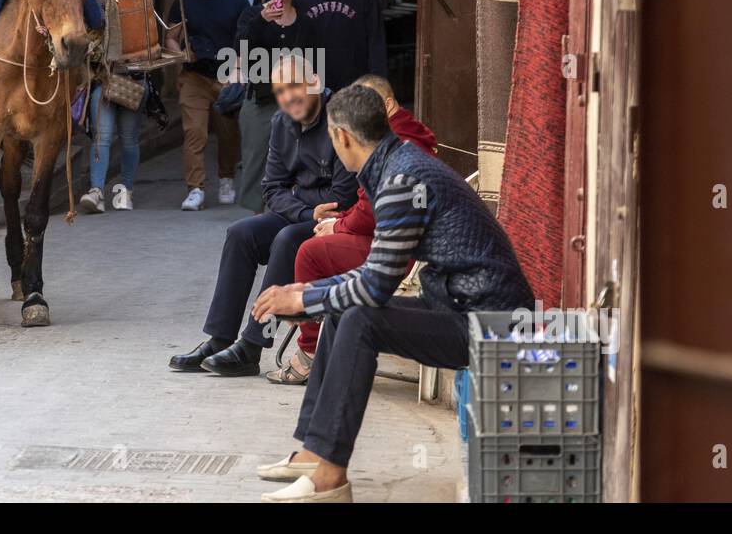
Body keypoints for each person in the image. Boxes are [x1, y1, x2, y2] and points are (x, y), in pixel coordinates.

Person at [251, 84, 534, 502]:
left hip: (488, 326)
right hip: (459, 308)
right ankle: (314, 453)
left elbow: (375, 284)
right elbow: (373, 273)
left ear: (342, 137)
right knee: (342, 314)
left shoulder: (402, 178)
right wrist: (310, 291)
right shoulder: (397, 164)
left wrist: (302, 298)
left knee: (361, 318)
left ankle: (330, 476)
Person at [168, 55, 356, 378]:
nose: (289, 97)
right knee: (241, 233)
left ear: (314, 83)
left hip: (335, 224)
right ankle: (220, 338)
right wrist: (304, 206)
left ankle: (252, 345)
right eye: (281, 91)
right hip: (305, 214)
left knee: (286, 240)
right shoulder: (281, 122)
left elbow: (341, 197)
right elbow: (271, 188)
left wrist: (297, 198)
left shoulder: (340, 120)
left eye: (295, 86)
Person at [265, 74, 434, 384]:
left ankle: (311, 353)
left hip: (402, 252)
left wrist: (339, 226)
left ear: (386, 104)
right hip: (395, 236)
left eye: (366, 105)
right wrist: (339, 222)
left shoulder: (398, 143)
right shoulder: (398, 132)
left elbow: (371, 211)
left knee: (310, 253)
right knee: (280, 236)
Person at [232, 0, 319, 213]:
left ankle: (280, 213)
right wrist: (261, 19)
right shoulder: (252, 14)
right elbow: (241, 48)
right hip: (259, 100)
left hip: (296, 102)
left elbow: (313, 62)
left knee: (293, 161)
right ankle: (255, 215)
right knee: (255, 158)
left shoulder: (305, 22)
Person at [167, 0, 247, 210]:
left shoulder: (237, 1)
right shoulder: (185, 1)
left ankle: (226, 178)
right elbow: (170, 38)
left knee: (228, 134)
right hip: (194, 77)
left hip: (227, 75)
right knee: (194, 134)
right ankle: (195, 189)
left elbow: (247, 39)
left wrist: (240, 71)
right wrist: (181, 55)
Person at [78, 73, 147, 213]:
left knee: (128, 138)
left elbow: (157, 52)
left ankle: (126, 191)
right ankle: (96, 192)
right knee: (101, 137)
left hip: (134, 82)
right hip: (103, 83)